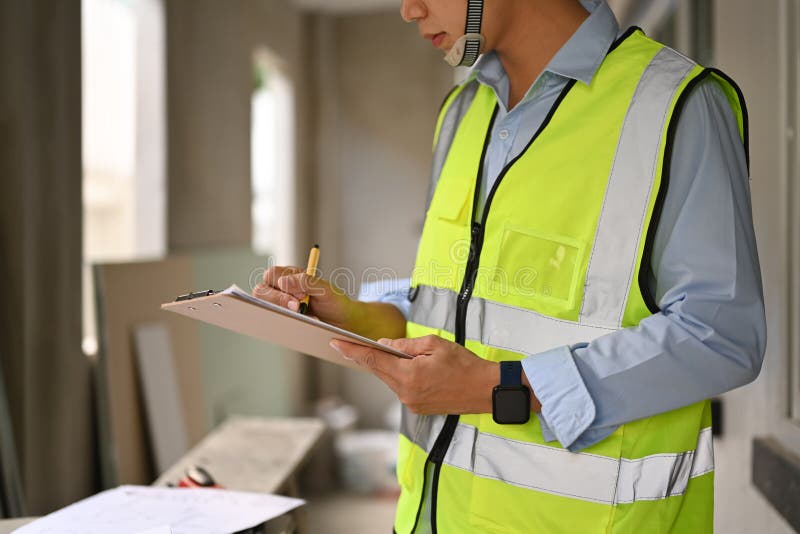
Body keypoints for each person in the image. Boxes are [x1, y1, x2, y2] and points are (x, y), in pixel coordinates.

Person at [253, 0, 766, 532]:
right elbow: (455, 311)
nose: (409, 10)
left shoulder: (676, 104)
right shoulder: (462, 110)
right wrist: (353, 317)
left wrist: (499, 387)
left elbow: (722, 335)